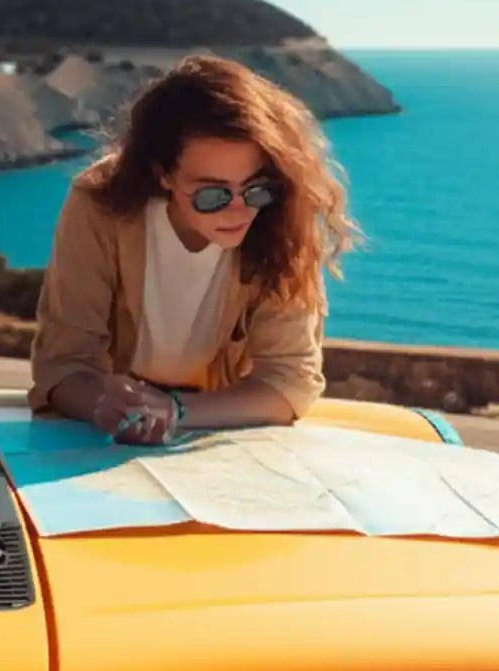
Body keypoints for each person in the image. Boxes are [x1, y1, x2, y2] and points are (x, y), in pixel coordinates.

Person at [27, 55, 359, 444]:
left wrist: (174, 413)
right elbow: (64, 365)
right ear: (162, 174)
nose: (240, 209)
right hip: (103, 446)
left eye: (256, 187)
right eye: (213, 193)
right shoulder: (99, 205)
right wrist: (103, 405)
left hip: (220, 442)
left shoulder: (283, 215)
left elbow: (290, 383)